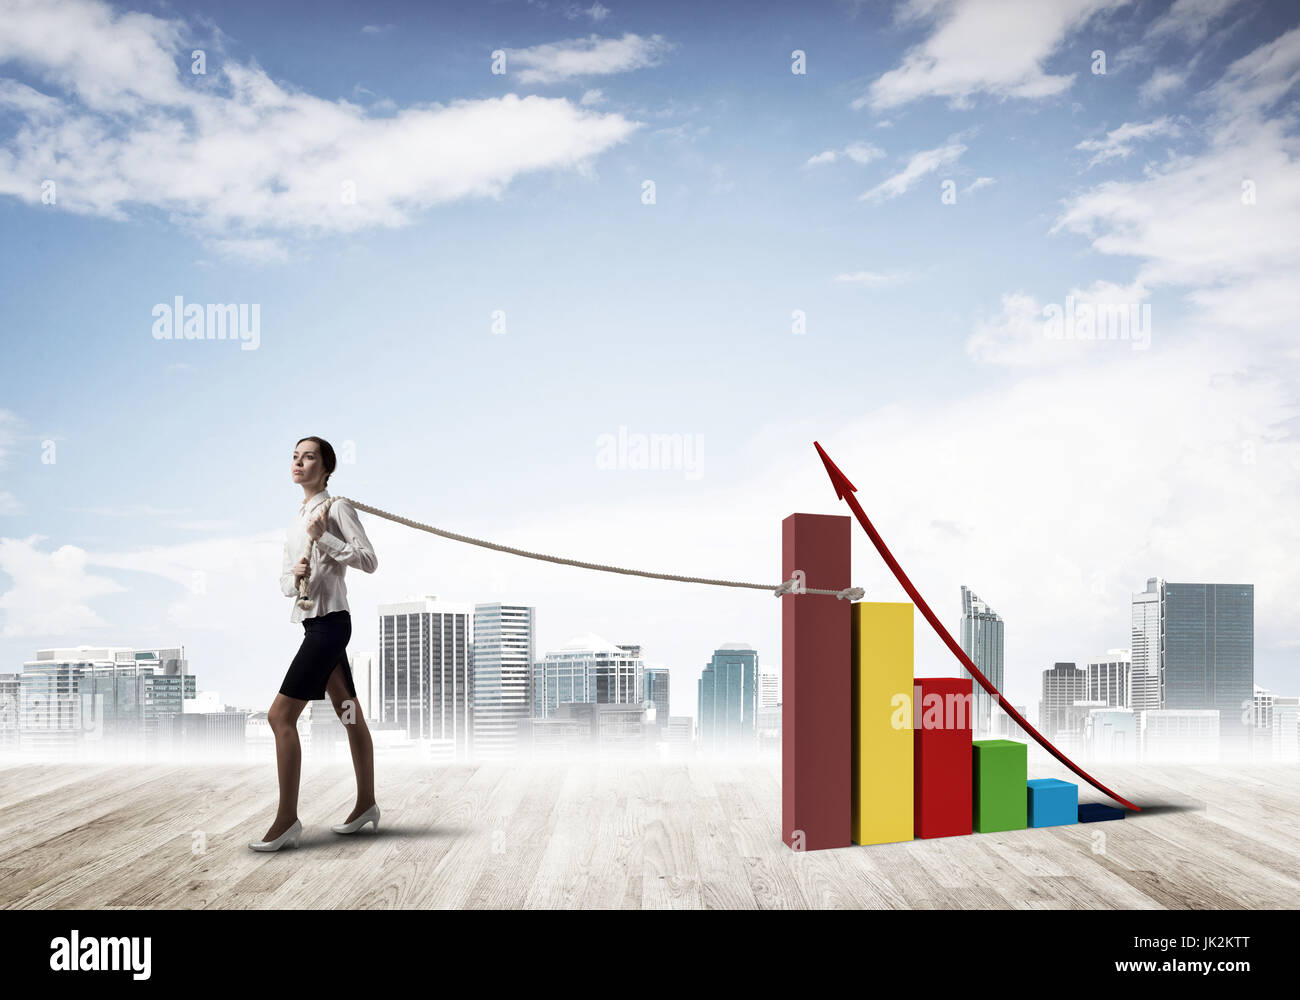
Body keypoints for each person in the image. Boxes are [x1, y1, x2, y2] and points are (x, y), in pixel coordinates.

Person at [249, 436, 380, 852]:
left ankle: (287, 820)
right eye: (294, 456)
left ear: (326, 468)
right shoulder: (294, 521)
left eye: (309, 457)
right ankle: (366, 805)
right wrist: (296, 573)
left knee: (278, 716)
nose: (299, 463)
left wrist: (325, 539)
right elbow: (286, 584)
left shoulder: (336, 507)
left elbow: (369, 561)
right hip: (312, 624)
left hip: (332, 625)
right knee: (350, 715)